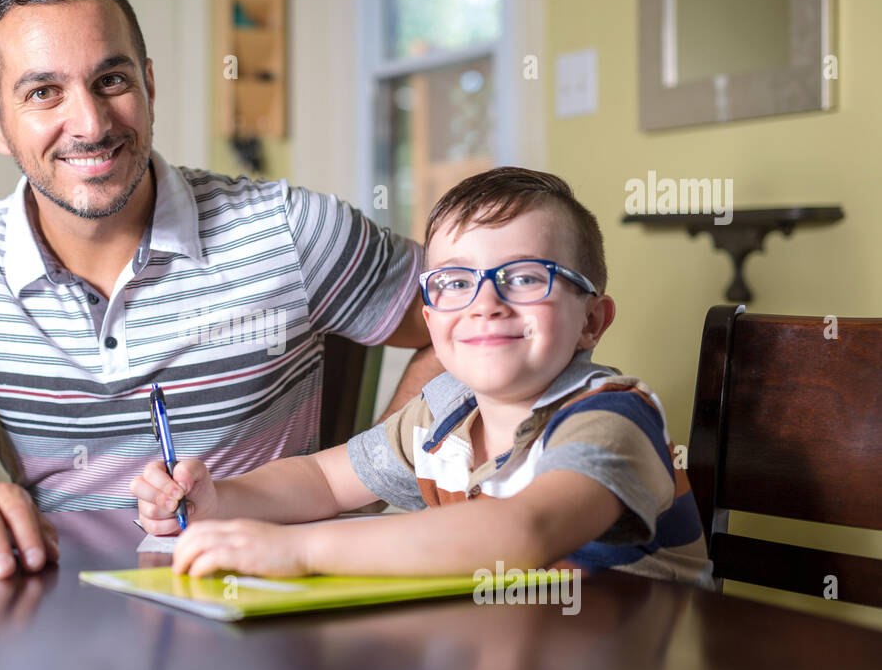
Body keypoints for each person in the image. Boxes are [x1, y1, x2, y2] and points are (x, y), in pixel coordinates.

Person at [0, 0, 441, 581]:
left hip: (265, 609)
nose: (91, 125)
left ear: (148, 84)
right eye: (44, 93)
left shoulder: (291, 227)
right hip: (57, 611)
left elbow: (472, 320)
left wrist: (368, 477)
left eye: (111, 80)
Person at [133, 167, 715, 588]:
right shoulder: (444, 415)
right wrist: (220, 500)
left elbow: (522, 532)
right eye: (457, 283)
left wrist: (299, 549)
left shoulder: (611, 418)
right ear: (432, 321)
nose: (485, 304)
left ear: (592, 320)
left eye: (524, 277)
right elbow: (323, 480)